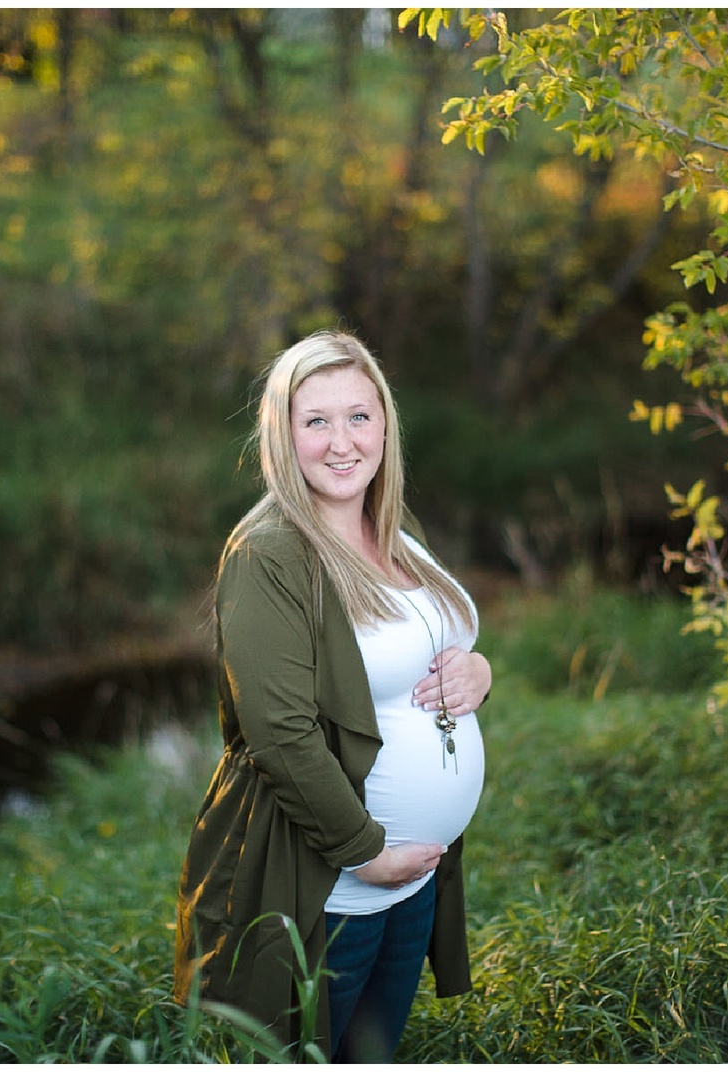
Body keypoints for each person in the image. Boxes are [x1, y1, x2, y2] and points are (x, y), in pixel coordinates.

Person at [173, 330, 493, 1062]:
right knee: (306, 1055)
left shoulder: (392, 530)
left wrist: (478, 675)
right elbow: (278, 732)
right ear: (282, 435)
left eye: (359, 415)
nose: (341, 441)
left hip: (412, 879)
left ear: (385, 424)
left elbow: (441, 640)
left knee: (371, 1057)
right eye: (315, 420)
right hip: (332, 886)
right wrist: (366, 853)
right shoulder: (271, 553)